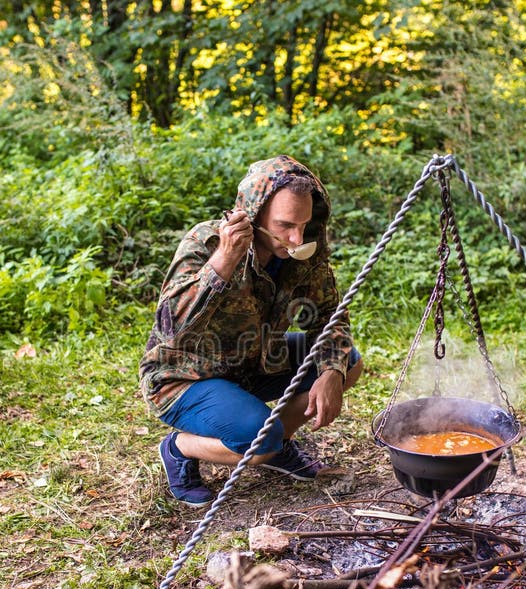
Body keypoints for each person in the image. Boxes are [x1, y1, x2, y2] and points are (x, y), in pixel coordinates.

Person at [139, 155, 364, 507]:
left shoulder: (304, 253)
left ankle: (277, 448)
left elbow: (329, 317)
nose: (295, 237)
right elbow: (172, 327)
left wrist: (332, 370)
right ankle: (178, 447)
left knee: (348, 360)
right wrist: (224, 261)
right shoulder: (207, 242)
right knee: (260, 437)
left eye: (303, 225)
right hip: (184, 376)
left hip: (254, 362)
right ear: (253, 214)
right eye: (285, 225)